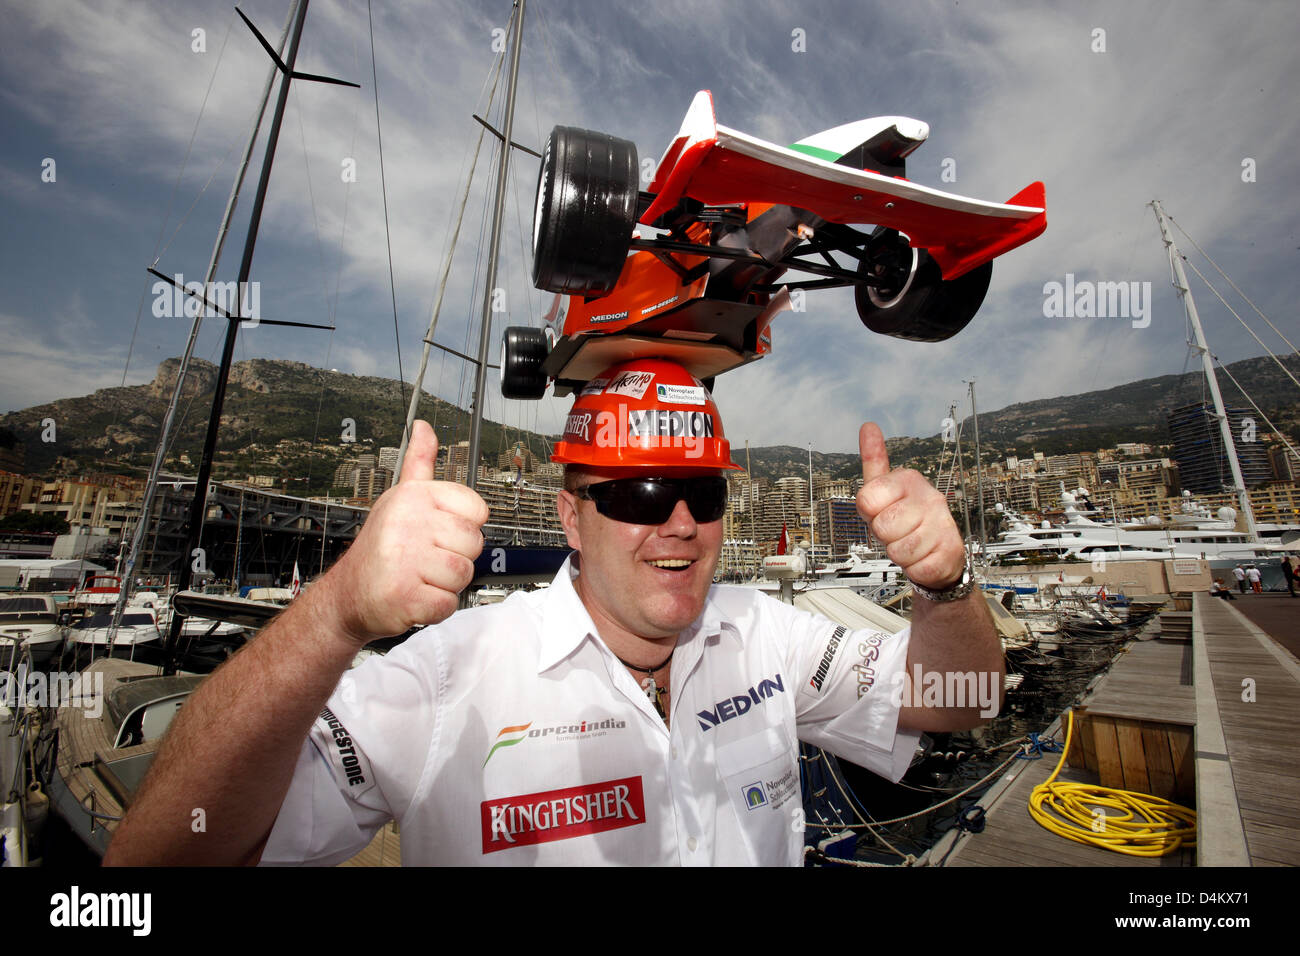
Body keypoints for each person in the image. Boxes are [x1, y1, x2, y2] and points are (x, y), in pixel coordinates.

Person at [103, 358, 1002, 867]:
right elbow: (157, 863)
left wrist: (946, 582)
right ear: (571, 516)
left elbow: (959, 700)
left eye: (700, 490)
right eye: (643, 494)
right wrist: (336, 613)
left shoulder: (762, 633)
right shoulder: (450, 677)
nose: (681, 522)